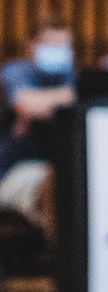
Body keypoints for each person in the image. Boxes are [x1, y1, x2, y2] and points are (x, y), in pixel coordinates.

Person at [0, 16, 76, 247]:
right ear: (31, 46)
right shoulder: (14, 71)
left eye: (63, 46)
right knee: (54, 182)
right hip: (12, 171)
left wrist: (49, 101)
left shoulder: (70, 75)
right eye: (51, 44)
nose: (58, 51)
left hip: (57, 164)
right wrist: (63, 97)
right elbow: (26, 104)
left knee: (70, 179)